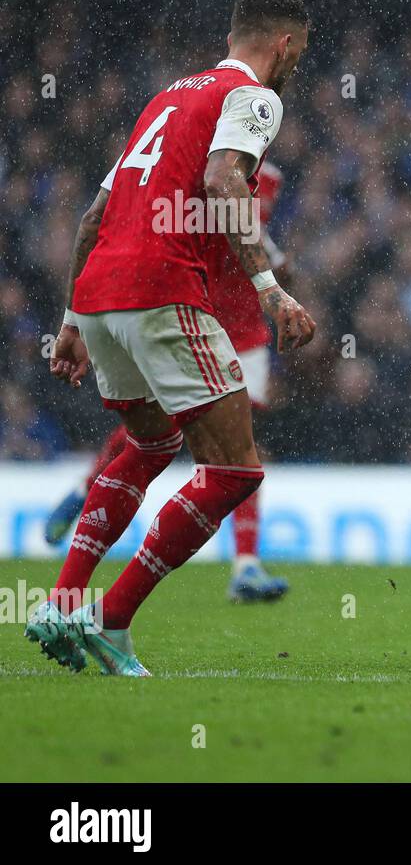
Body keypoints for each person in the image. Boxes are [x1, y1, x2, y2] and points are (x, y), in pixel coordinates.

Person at [27, 0, 316, 676]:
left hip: (101, 299)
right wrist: (271, 290)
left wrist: (71, 319)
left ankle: (61, 601)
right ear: (282, 44)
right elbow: (224, 183)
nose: (297, 66)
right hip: (165, 293)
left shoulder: (165, 98)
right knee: (235, 470)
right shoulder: (252, 97)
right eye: (298, 54)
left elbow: (92, 217)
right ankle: (112, 618)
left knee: (150, 444)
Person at [43, 162, 294, 603]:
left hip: (245, 328)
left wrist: (276, 274)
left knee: (240, 440)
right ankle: (88, 491)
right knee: (163, 430)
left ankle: (246, 563)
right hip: (190, 312)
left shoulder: (267, 174)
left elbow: (249, 234)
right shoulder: (192, 159)